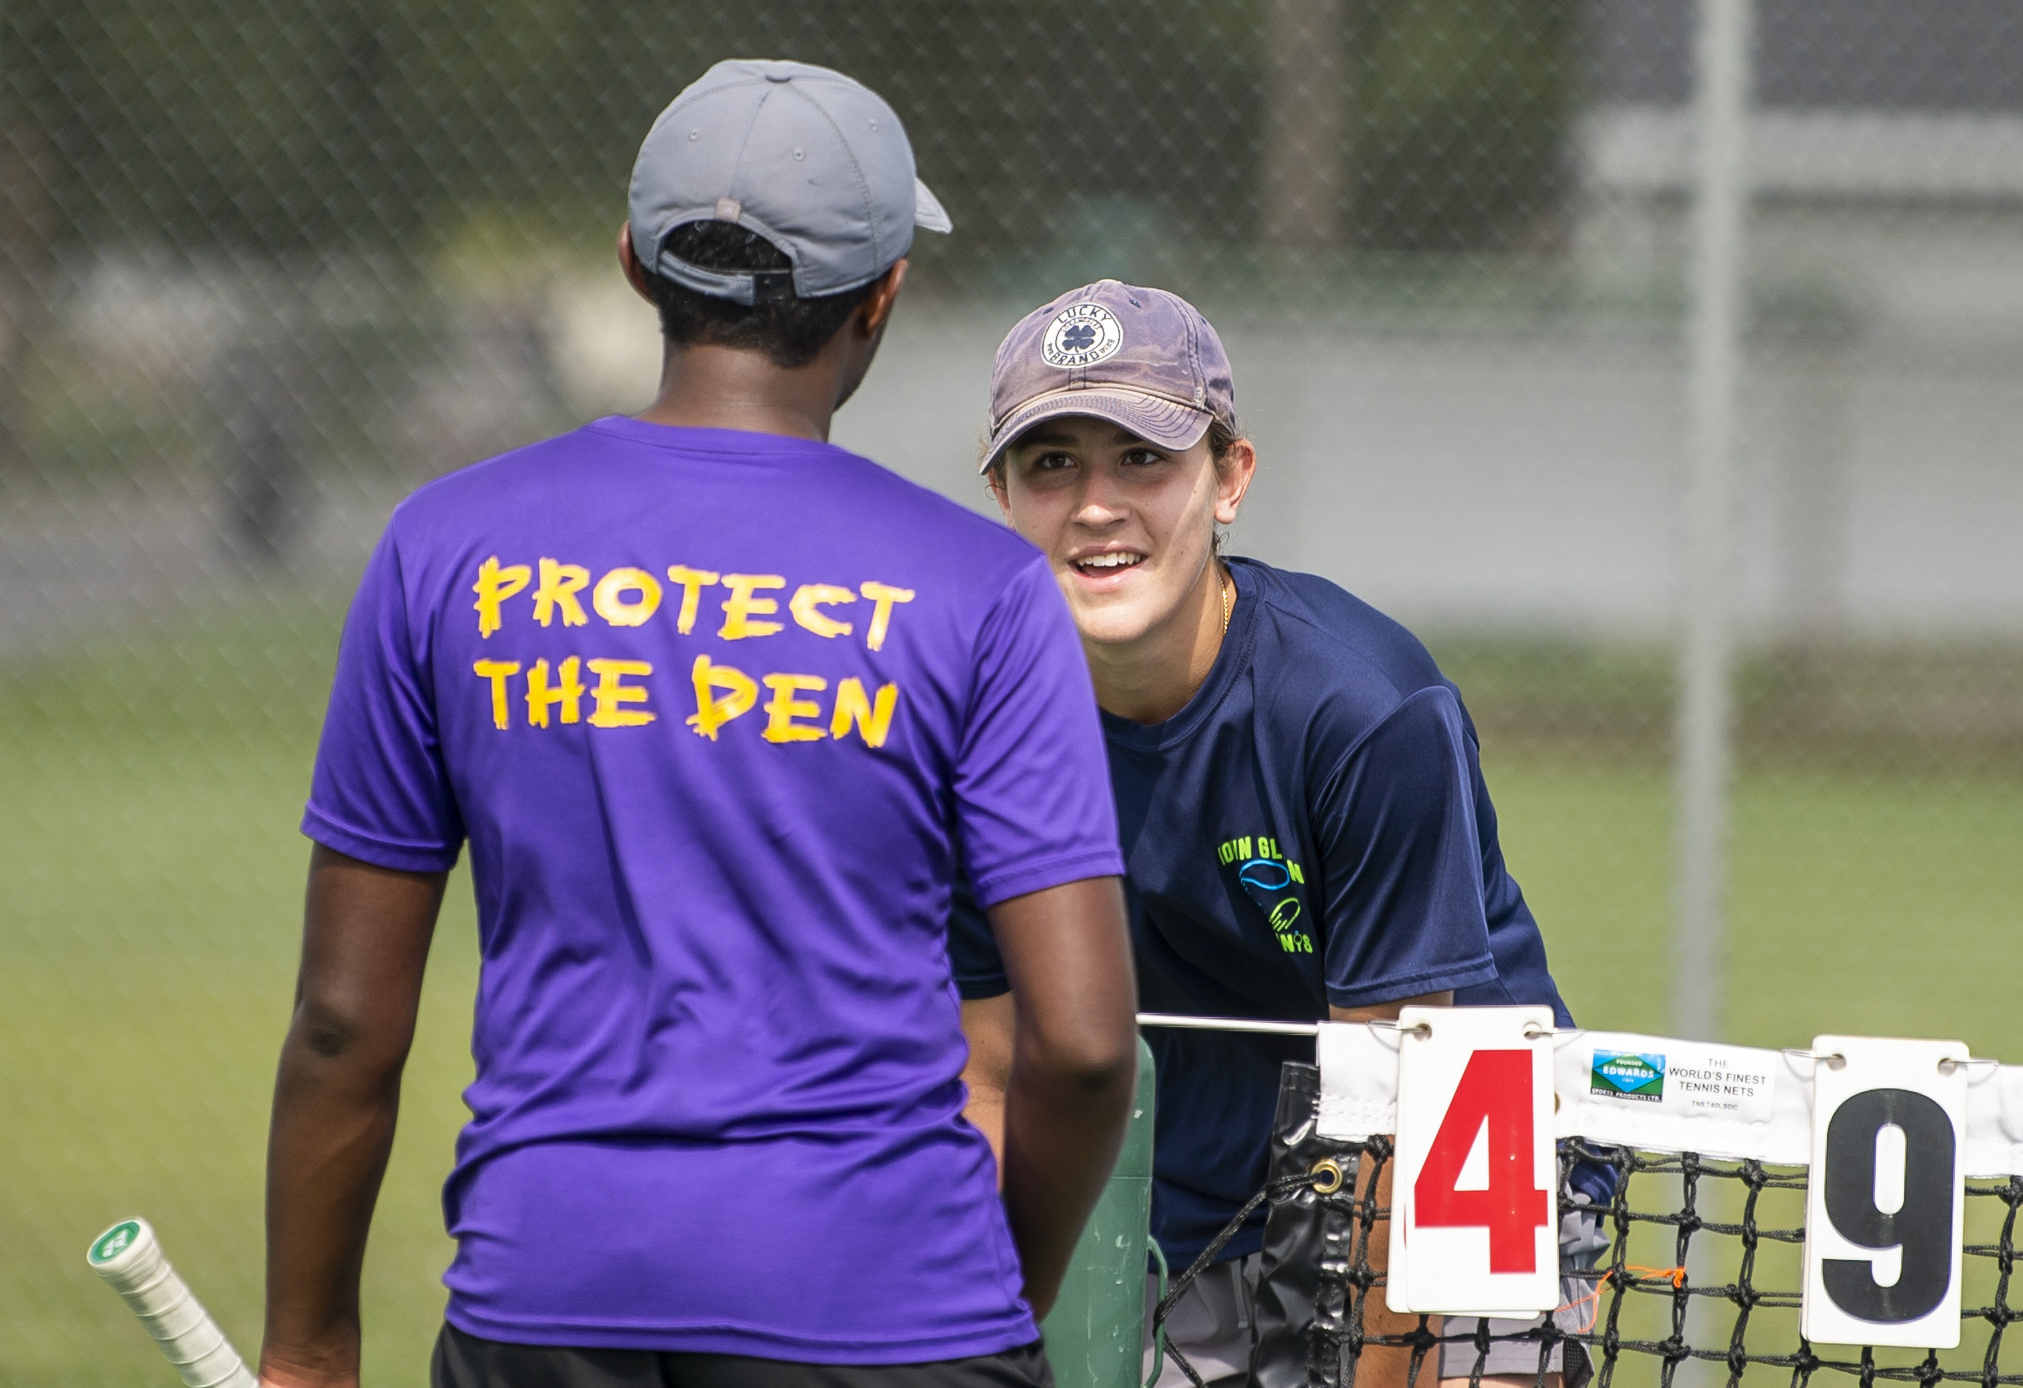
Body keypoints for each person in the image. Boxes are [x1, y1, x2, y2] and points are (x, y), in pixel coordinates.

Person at [259, 62, 1140, 1388]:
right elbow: (1078, 1045)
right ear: (883, 294)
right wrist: (986, 1295)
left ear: (633, 263)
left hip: (544, 1297)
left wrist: (308, 1347)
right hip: (890, 1302)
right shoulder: (985, 590)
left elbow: (342, 1019)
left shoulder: (442, 547)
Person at [950, 280, 1609, 1388]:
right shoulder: (973, 719)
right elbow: (991, 1074)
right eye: (1051, 462)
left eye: (1142, 459)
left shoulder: (1361, 713)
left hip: (1465, 1173)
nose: (1096, 503)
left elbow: (1403, 1114)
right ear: (1003, 497)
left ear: (1230, 480)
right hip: (1177, 1212)